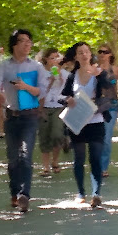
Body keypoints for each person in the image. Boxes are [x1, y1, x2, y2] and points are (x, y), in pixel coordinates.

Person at [0, 29, 46, 213]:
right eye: (23, 41)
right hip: (11, 117)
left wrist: (25, 87)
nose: (27, 44)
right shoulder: (5, 66)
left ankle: (25, 195)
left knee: (25, 155)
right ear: (14, 44)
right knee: (13, 159)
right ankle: (14, 192)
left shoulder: (36, 67)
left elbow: (42, 90)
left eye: (29, 41)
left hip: (30, 116)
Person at [61, 42, 111, 208]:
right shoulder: (72, 76)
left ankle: (96, 193)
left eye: (86, 52)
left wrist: (99, 75)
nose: (84, 55)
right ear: (76, 56)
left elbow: (109, 87)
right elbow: (62, 97)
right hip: (78, 122)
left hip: (96, 121)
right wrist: (68, 100)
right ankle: (81, 192)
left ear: (91, 55)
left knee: (95, 157)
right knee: (79, 158)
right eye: (80, 52)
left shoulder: (98, 73)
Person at [37, 48, 66, 176]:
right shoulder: (40, 72)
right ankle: (46, 166)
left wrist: (60, 77)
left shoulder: (63, 72)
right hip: (44, 106)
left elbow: (68, 89)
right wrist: (51, 81)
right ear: (46, 59)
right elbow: (40, 90)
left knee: (57, 134)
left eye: (56, 57)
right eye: (52, 58)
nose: (54, 60)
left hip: (58, 106)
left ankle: (55, 160)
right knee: (44, 135)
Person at [97, 44, 118, 178]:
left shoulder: (115, 70)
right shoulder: (94, 69)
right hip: (96, 106)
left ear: (110, 54)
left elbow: (113, 84)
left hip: (111, 106)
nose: (102, 54)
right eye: (100, 52)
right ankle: (96, 164)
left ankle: (103, 167)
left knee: (106, 137)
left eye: (105, 52)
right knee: (96, 137)